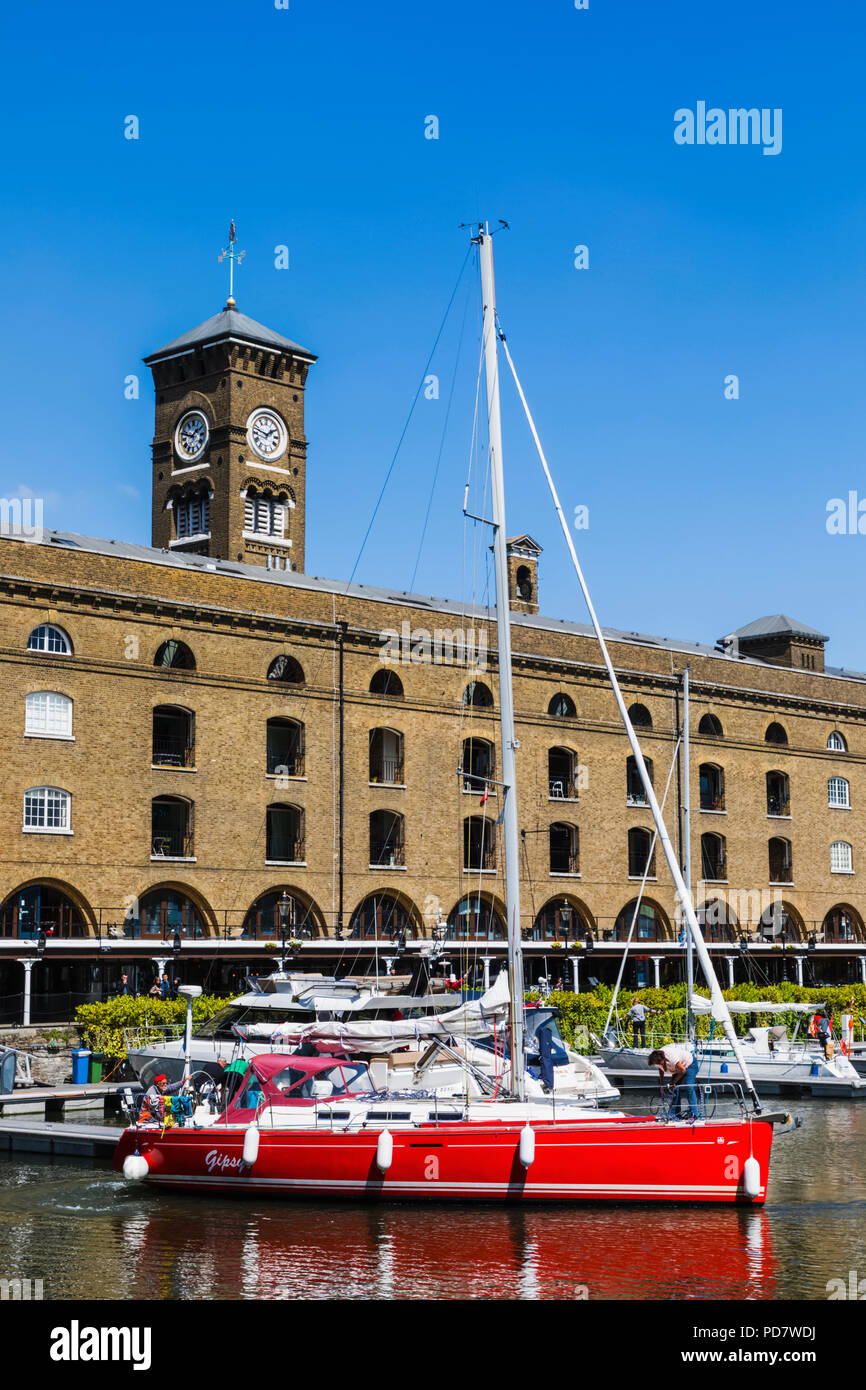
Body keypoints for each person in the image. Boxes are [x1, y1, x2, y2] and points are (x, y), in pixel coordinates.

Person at [648, 1044, 699, 1119]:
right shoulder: (657, 1058)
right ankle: (675, 1113)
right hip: (678, 1069)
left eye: (659, 1063)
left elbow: (683, 1070)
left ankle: (694, 1114)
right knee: (674, 1089)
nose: (658, 1065)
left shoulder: (671, 1057)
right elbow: (661, 1069)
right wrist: (661, 1085)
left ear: (663, 1059)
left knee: (689, 1087)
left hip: (690, 1064)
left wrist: (672, 1083)